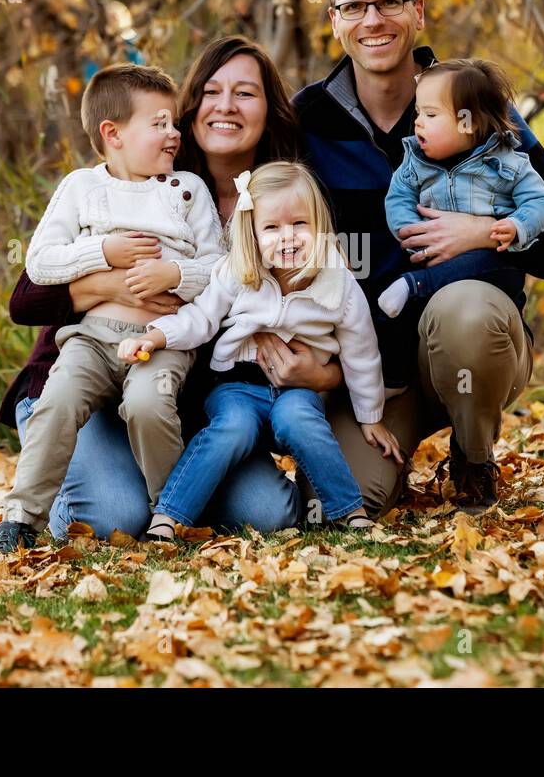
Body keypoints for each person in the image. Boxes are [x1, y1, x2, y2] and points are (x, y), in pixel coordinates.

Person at [292, 0, 544, 513]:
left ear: (419, 11)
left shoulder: (476, 106)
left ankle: (474, 456)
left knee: (468, 314)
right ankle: (391, 448)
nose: (373, 20)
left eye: (389, 2)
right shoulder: (307, 122)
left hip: (468, 349)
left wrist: (488, 232)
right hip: (371, 374)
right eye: (355, 7)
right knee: (350, 500)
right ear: (335, 21)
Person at [0, 37, 315, 544]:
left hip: (176, 382)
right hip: (88, 365)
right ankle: (32, 511)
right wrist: (107, 273)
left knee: (268, 512)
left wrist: (176, 279)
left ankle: (169, 510)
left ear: (269, 109)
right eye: (211, 92)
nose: (226, 106)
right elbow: (27, 296)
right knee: (110, 519)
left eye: (246, 94)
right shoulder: (107, 182)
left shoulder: (276, 199)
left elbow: (234, 282)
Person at [0, 64, 222, 553]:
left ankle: (171, 514)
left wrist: (175, 275)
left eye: (174, 123)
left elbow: (219, 269)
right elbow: (41, 263)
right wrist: (104, 255)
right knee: (59, 399)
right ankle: (20, 516)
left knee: (148, 404)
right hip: (91, 340)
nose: (174, 134)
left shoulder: (187, 191)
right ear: (112, 134)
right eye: (158, 124)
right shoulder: (80, 189)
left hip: (159, 340)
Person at [119, 162, 400, 540]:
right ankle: (167, 517)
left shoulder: (338, 282)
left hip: (298, 390)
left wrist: (370, 416)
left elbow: (361, 351)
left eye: (300, 224)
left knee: (299, 419)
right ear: (252, 233)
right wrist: (155, 336)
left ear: (319, 225)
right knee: (231, 426)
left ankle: (349, 512)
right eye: (272, 228)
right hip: (237, 386)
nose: (288, 237)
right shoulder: (236, 272)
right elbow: (200, 318)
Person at [378, 57, 544, 319]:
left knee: (495, 263)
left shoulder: (506, 162)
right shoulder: (414, 163)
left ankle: (416, 284)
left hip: (490, 274)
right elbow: (398, 197)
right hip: (434, 260)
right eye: (418, 112)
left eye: (431, 114)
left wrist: (517, 226)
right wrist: (413, 233)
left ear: (467, 122)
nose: (418, 122)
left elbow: (541, 201)